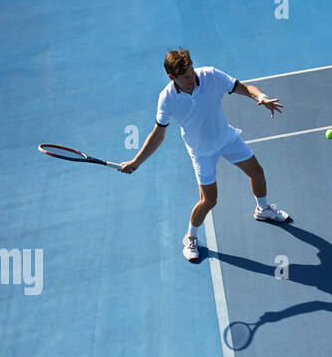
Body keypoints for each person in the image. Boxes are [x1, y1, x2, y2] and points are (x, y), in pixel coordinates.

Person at [120, 48, 291, 263]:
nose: (192, 79)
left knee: (257, 172)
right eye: (185, 77)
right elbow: (158, 134)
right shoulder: (166, 99)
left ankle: (263, 208)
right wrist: (137, 162)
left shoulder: (210, 75)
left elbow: (244, 88)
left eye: (192, 72)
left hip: (227, 139)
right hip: (201, 152)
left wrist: (261, 96)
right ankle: (190, 237)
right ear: (172, 77)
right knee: (209, 200)